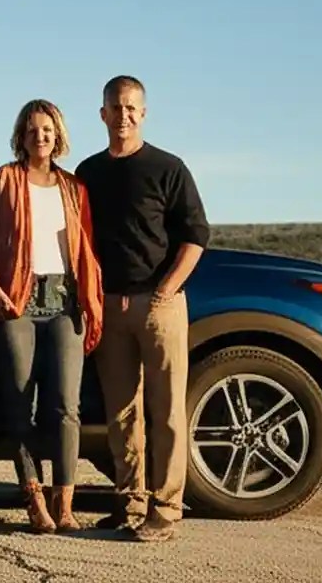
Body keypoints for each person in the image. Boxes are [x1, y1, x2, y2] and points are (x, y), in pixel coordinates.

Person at [75, 75, 210, 543]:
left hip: (160, 304)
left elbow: (196, 236)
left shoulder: (168, 168)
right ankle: (129, 502)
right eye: (116, 108)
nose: (124, 116)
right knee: (122, 411)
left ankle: (167, 508)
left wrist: (167, 290)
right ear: (103, 114)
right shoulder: (88, 173)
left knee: (167, 409)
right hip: (109, 306)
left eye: (132, 108)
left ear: (144, 113)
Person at [0, 98, 104, 534]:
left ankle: (65, 505)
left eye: (47, 129)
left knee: (66, 406)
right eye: (32, 130)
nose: (40, 136)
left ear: (58, 135)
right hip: (17, 301)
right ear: (21, 137)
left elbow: (85, 248)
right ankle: (34, 501)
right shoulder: (3, 182)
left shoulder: (73, 188)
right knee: (20, 403)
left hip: (64, 300)